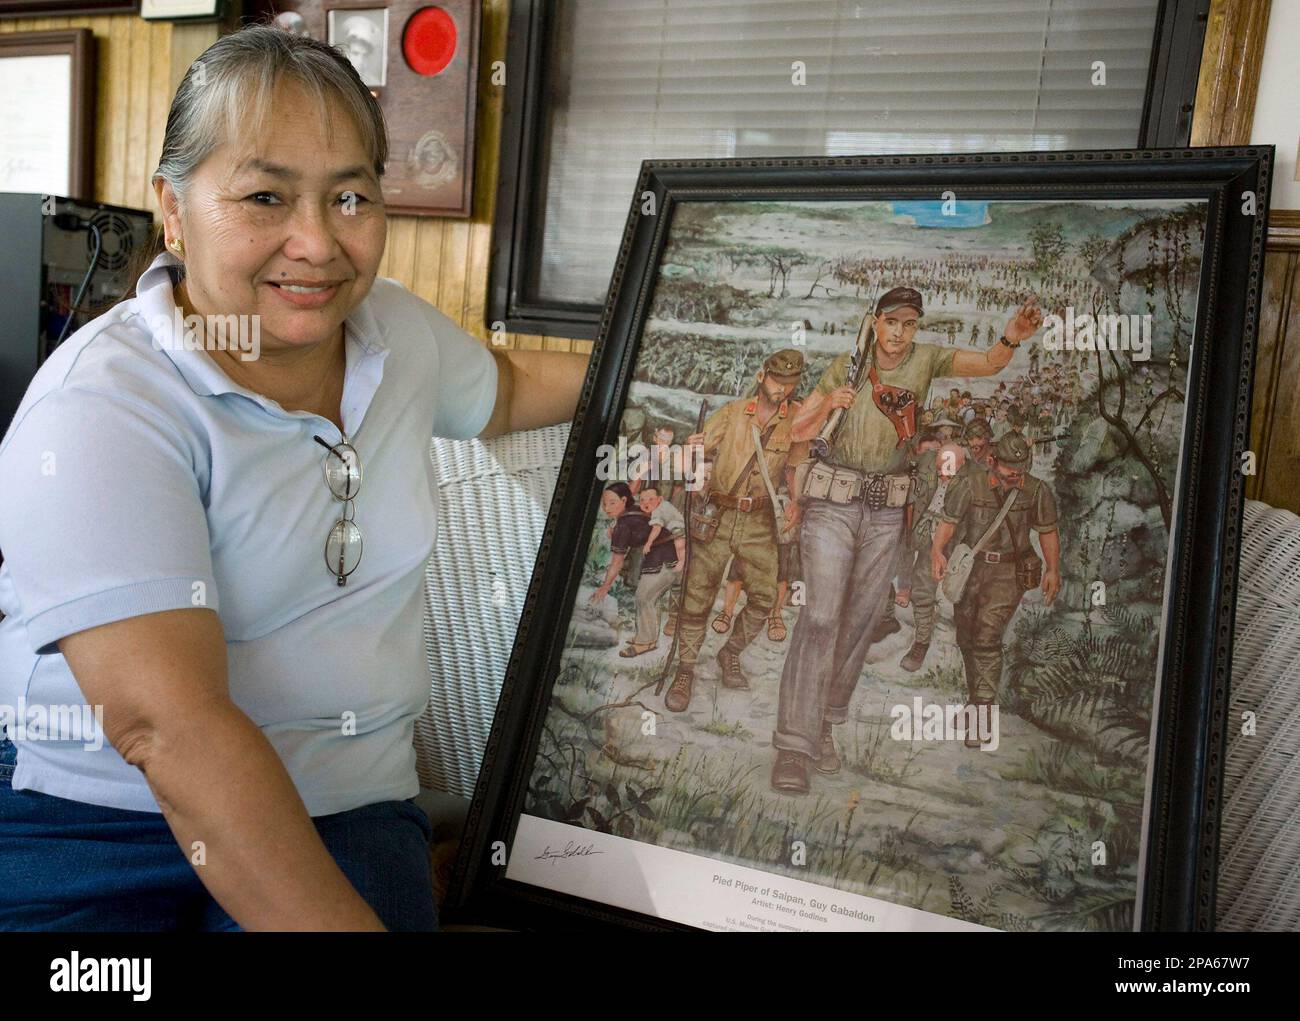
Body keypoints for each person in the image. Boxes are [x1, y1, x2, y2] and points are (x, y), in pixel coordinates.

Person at [0, 24, 587, 932]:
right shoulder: (103, 405)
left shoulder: (399, 336)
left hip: (344, 801)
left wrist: (660, 369)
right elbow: (167, 728)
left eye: (350, 196)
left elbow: (504, 388)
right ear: (172, 209)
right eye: (266, 196)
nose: (316, 242)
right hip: (94, 823)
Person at [772, 285, 1043, 794]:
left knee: (857, 623)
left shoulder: (925, 360)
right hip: (832, 502)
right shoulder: (846, 365)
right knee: (822, 616)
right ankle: (792, 745)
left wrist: (1010, 338)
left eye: (909, 324)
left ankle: (825, 726)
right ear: (875, 322)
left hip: (885, 512)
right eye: (891, 322)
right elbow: (797, 428)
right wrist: (831, 400)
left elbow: (985, 363)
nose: (899, 333)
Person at [664, 349, 807, 713]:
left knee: (763, 598)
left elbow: (793, 469)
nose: (783, 391)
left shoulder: (795, 421)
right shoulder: (732, 413)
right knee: (697, 595)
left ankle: (730, 653)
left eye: (790, 385)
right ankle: (685, 669)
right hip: (719, 514)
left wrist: (796, 501)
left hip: (760, 522)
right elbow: (694, 453)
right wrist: (690, 454)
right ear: (763, 377)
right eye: (778, 382)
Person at [930, 433, 1061, 747]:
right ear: (991, 462)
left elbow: (1048, 532)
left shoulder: (1036, 490)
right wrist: (937, 550)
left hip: (1008, 573)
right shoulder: (969, 486)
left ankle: (983, 717)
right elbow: (949, 522)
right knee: (966, 635)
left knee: (987, 636)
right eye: (1008, 471)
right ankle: (976, 701)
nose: (1015, 477)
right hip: (971, 570)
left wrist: (1054, 569)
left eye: (1020, 470)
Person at [617, 485, 685, 657]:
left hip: (665, 560)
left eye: (651, 499)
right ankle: (645, 637)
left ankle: (646, 642)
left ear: (660, 500)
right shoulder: (647, 513)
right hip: (657, 560)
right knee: (645, 598)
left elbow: (651, 534)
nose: (646, 503)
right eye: (643, 500)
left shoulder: (660, 514)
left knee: (644, 596)